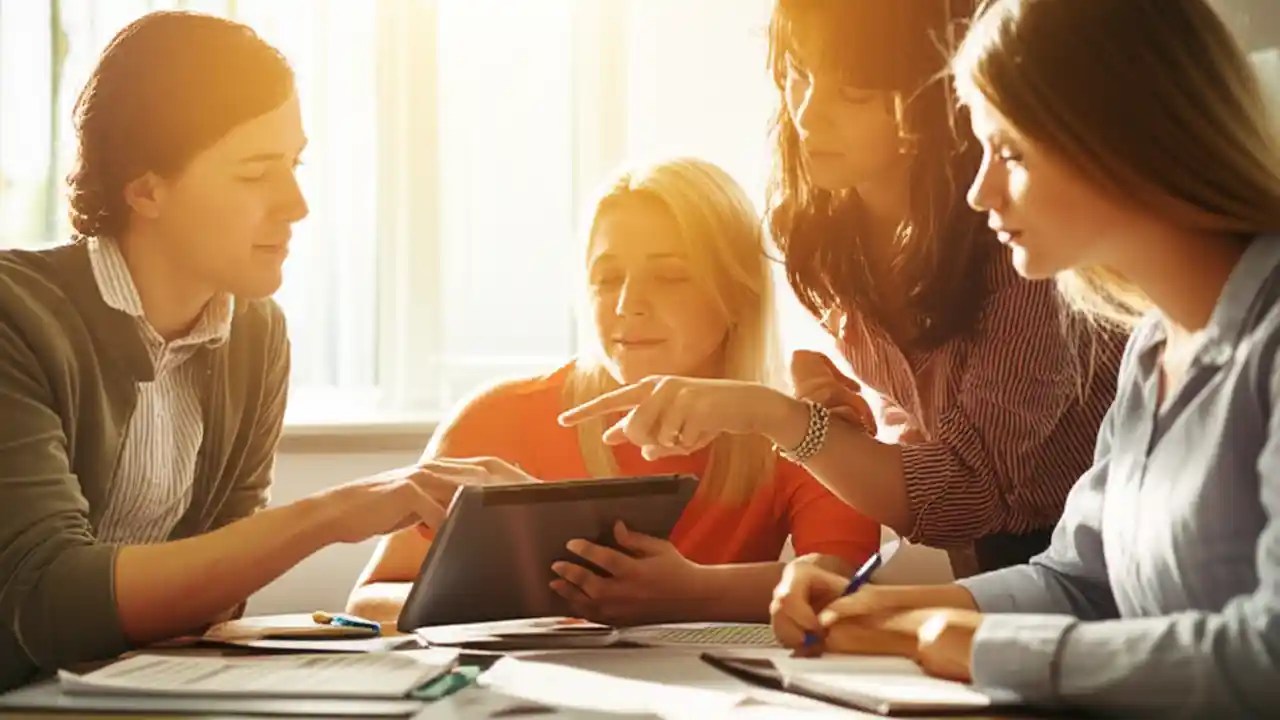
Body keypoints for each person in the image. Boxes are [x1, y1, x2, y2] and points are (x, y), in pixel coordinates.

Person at [769, 0, 1280, 714]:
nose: (979, 191)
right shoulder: (1151, 350)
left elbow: (1267, 657)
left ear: (1120, 138)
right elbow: (1079, 582)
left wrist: (984, 645)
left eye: (1008, 152)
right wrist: (878, 608)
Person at [0, 11, 499, 690]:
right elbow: (47, 602)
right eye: (256, 173)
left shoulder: (255, 336)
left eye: (294, 165)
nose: (296, 205)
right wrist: (333, 514)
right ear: (145, 188)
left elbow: (215, 600)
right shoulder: (16, 318)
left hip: (126, 696)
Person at [560, 0, 1126, 576]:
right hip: (999, 567)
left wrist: (778, 417)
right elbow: (923, 439)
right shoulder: (829, 242)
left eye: (851, 93)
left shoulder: (1019, 245)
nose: (808, 114)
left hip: (1109, 555)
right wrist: (847, 434)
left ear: (934, 99)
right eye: (798, 75)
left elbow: (964, 493)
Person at [347, 158, 881, 626]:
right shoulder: (498, 417)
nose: (628, 304)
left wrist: (693, 591)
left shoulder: (798, 422)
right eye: (606, 278)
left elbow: (844, 581)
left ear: (739, 293)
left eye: (669, 277)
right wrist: (540, 604)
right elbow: (370, 602)